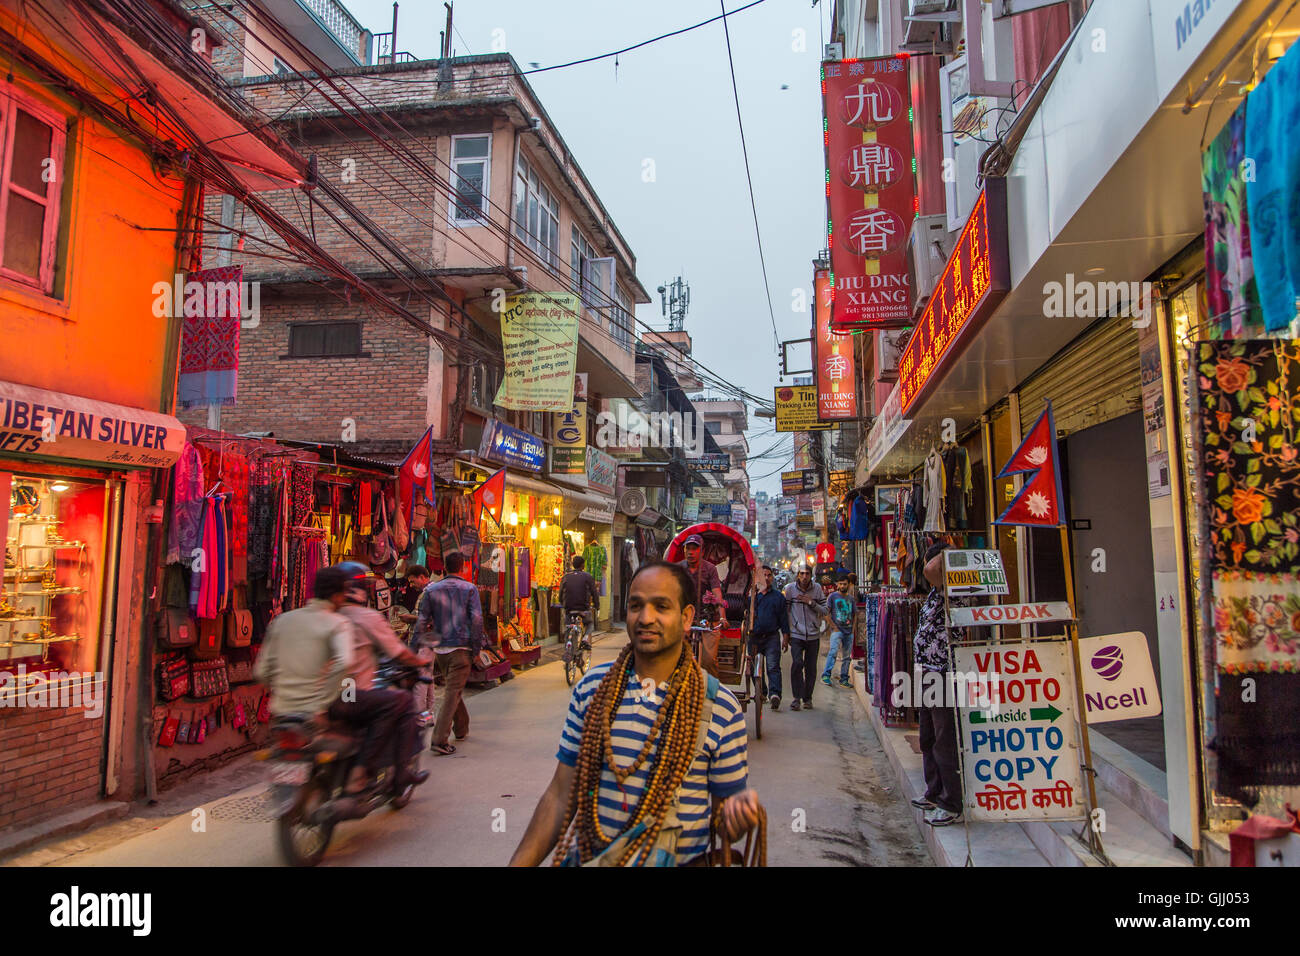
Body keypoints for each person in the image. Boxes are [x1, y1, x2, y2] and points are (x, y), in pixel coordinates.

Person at [509, 561, 762, 867]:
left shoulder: (720, 707)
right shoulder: (593, 688)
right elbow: (561, 795)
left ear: (686, 618)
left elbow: (725, 824)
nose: (645, 618)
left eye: (661, 606)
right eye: (636, 606)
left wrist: (738, 818)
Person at [330, 562, 432, 793]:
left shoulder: (327, 615)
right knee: (402, 703)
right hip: (350, 694)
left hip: (324, 698)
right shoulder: (366, 617)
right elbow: (397, 651)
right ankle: (383, 772)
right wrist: (419, 661)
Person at [254, 565, 354, 727]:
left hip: (281, 711)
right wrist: (323, 702)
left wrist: (283, 692)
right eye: (344, 594)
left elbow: (261, 671)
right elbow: (345, 662)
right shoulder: (338, 624)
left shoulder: (282, 621)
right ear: (337, 596)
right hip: (314, 714)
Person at [913, 542, 965, 827]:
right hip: (926, 673)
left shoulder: (954, 593)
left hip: (945, 673)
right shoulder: (935, 593)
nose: (925, 566)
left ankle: (951, 802)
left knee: (945, 740)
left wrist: (946, 553)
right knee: (928, 737)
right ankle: (933, 791)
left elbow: (932, 569)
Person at [415, 551, 485, 756]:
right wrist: (477, 649)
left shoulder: (431, 590)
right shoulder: (469, 589)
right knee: (452, 692)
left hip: (440, 649)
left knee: (454, 689)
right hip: (461, 648)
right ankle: (439, 738)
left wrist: (414, 647)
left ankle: (461, 727)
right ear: (463, 566)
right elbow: (477, 620)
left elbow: (422, 620)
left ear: (444, 567)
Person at [782, 565, 826, 711]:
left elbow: (825, 610)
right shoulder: (790, 590)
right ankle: (796, 698)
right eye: (802, 573)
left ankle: (808, 698)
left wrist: (811, 602)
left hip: (813, 634)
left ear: (811, 575)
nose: (804, 576)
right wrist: (786, 634)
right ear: (797, 575)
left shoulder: (817, 589)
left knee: (811, 668)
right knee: (797, 663)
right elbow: (786, 612)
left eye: (807, 573)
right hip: (796, 634)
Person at [401, 564, 441, 726]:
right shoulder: (431, 592)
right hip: (429, 641)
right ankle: (428, 715)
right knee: (427, 680)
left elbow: (429, 619)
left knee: (420, 682)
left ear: (422, 577)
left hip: (424, 642)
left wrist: (410, 619)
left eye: (412, 581)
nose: (412, 585)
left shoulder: (428, 594)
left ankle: (420, 718)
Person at [750, 565, 788, 710]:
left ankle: (775, 694)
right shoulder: (753, 596)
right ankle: (762, 692)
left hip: (772, 636)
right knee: (753, 666)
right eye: (763, 575)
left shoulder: (778, 597)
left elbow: (784, 619)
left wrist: (785, 636)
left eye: (769, 575)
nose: (766, 578)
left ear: (772, 577)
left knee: (773, 666)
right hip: (754, 636)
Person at [676, 533, 725, 619]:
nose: (690, 552)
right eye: (688, 548)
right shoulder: (678, 568)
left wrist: (723, 617)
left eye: (694, 549)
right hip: (683, 616)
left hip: (706, 616)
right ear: (684, 550)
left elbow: (717, 593)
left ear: (702, 552)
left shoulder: (710, 568)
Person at [821, 573, 856, 688]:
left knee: (847, 657)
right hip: (837, 630)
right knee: (833, 652)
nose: (842, 586)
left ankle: (844, 678)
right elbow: (826, 613)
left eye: (844, 584)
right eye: (840, 584)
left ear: (848, 585)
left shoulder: (851, 598)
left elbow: (855, 614)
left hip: (848, 631)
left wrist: (853, 629)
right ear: (837, 585)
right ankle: (826, 675)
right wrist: (833, 626)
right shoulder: (832, 596)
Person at [558, 555, 599, 639]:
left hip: (569, 608)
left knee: (568, 625)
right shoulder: (588, 576)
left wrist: (563, 604)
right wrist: (597, 606)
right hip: (583, 608)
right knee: (590, 624)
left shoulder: (565, 577)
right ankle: (585, 638)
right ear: (582, 565)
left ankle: (567, 642)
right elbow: (594, 593)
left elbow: (561, 593)